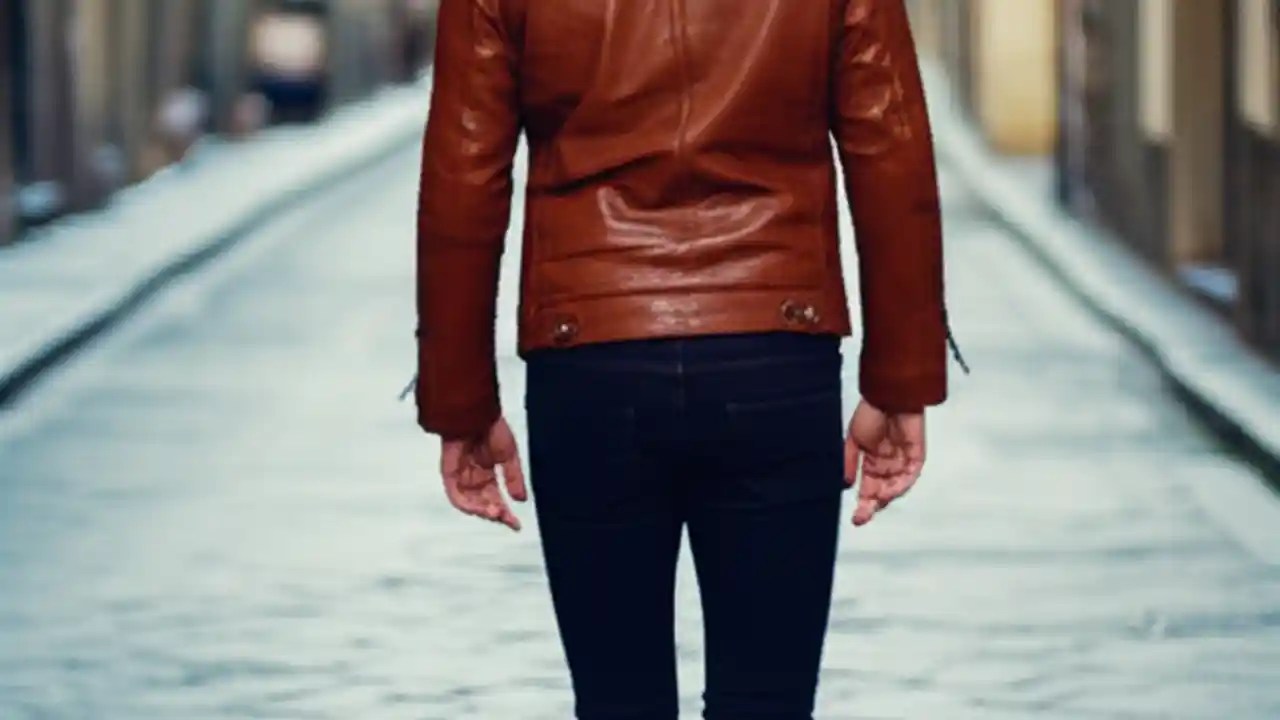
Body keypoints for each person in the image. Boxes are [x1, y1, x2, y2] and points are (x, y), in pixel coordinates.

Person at [406, 0, 967, 716]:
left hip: (590, 359)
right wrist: (899, 377)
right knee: (768, 702)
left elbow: (463, 170)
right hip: (774, 349)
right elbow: (888, 145)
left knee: (617, 701)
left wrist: (460, 399)